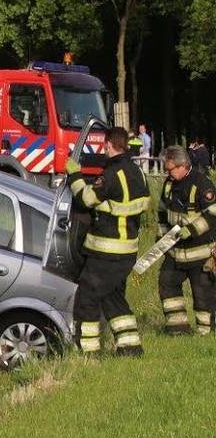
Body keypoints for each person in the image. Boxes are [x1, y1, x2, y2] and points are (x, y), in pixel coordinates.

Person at [65, 127, 150, 356]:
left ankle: (88, 351)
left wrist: (75, 175)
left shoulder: (111, 174)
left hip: (106, 251)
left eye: (104, 146)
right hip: (127, 250)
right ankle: (130, 347)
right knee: (113, 298)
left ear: (109, 145)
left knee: (87, 297)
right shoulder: (138, 173)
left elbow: (86, 199)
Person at [157, 146, 216, 336]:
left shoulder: (202, 184)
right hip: (174, 251)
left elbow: (212, 215)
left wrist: (189, 231)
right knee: (166, 283)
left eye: (171, 169)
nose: (168, 173)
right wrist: (161, 241)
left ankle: (205, 333)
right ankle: (178, 329)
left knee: (202, 296)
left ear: (183, 165)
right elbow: (162, 213)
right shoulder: (168, 184)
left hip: (200, 252)